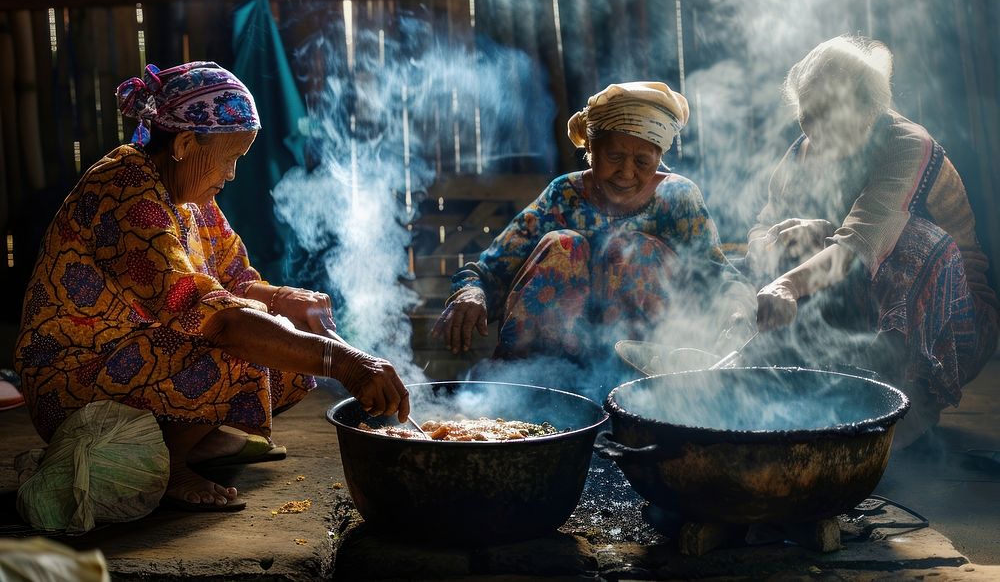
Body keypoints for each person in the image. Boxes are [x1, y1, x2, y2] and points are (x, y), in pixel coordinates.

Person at [14, 62, 410, 512]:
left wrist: (284, 299)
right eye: (229, 158)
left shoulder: (188, 194)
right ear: (184, 143)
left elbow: (235, 277)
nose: (233, 173)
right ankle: (168, 463)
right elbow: (217, 320)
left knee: (291, 352)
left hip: (130, 357)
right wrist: (346, 363)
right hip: (71, 377)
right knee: (244, 347)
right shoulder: (127, 193)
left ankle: (195, 439)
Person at [749, 35, 999, 448]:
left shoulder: (906, 144)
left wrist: (788, 284)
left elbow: (863, 243)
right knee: (792, 241)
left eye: (831, 115)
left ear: (868, 110)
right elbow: (761, 229)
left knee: (916, 238)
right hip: (859, 304)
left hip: (956, 320)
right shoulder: (800, 155)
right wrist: (773, 244)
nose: (815, 129)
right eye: (806, 117)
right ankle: (819, 394)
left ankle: (911, 405)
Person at [433, 81, 754, 371]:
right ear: (591, 148)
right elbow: (488, 270)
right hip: (560, 358)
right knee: (563, 245)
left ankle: (630, 388)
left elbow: (719, 273)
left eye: (642, 161)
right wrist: (471, 294)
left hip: (645, 364)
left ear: (659, 157)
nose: (626, 172)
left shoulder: (678, 196)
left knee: (629, 249)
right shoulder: (564, 194)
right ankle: (537, 381)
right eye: (614, 157)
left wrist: (739, 309)